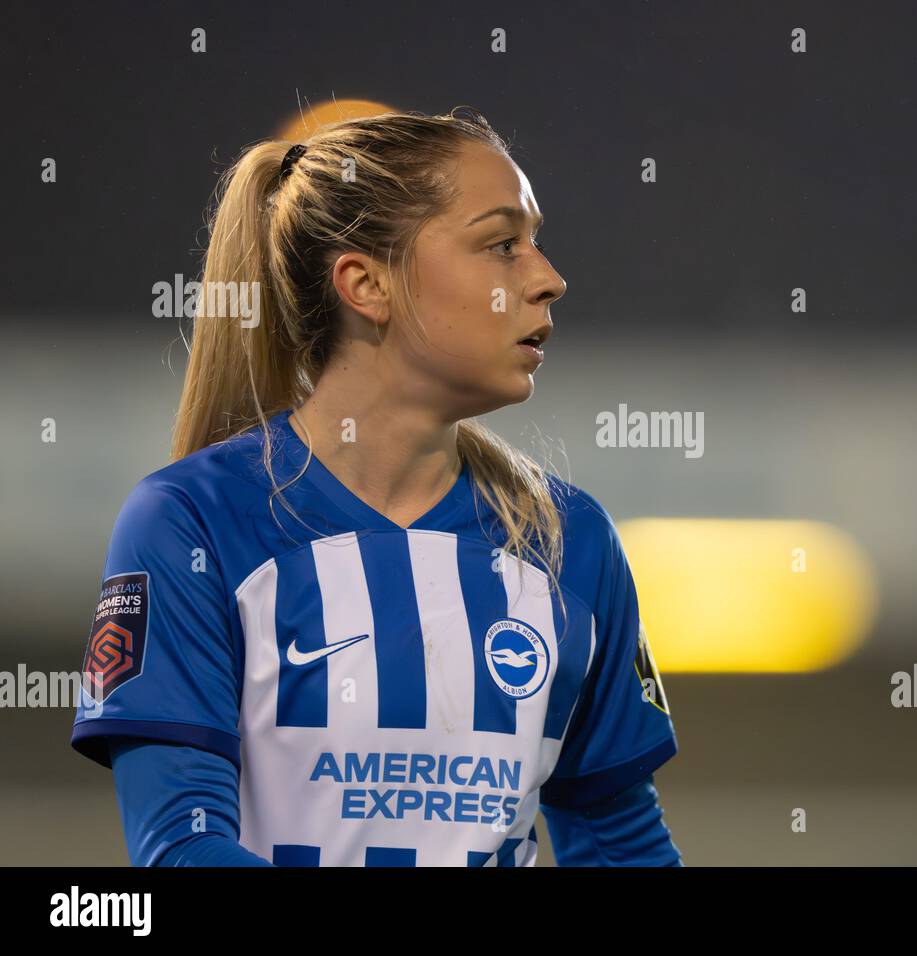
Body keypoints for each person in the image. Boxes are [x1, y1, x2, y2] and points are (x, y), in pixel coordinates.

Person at [69, 108, 682, 866]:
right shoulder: (192, 521)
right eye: (502, 245)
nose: (549, 279)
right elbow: (181, 848)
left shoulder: (570, 540)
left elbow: (623, 848)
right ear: (366, 284)